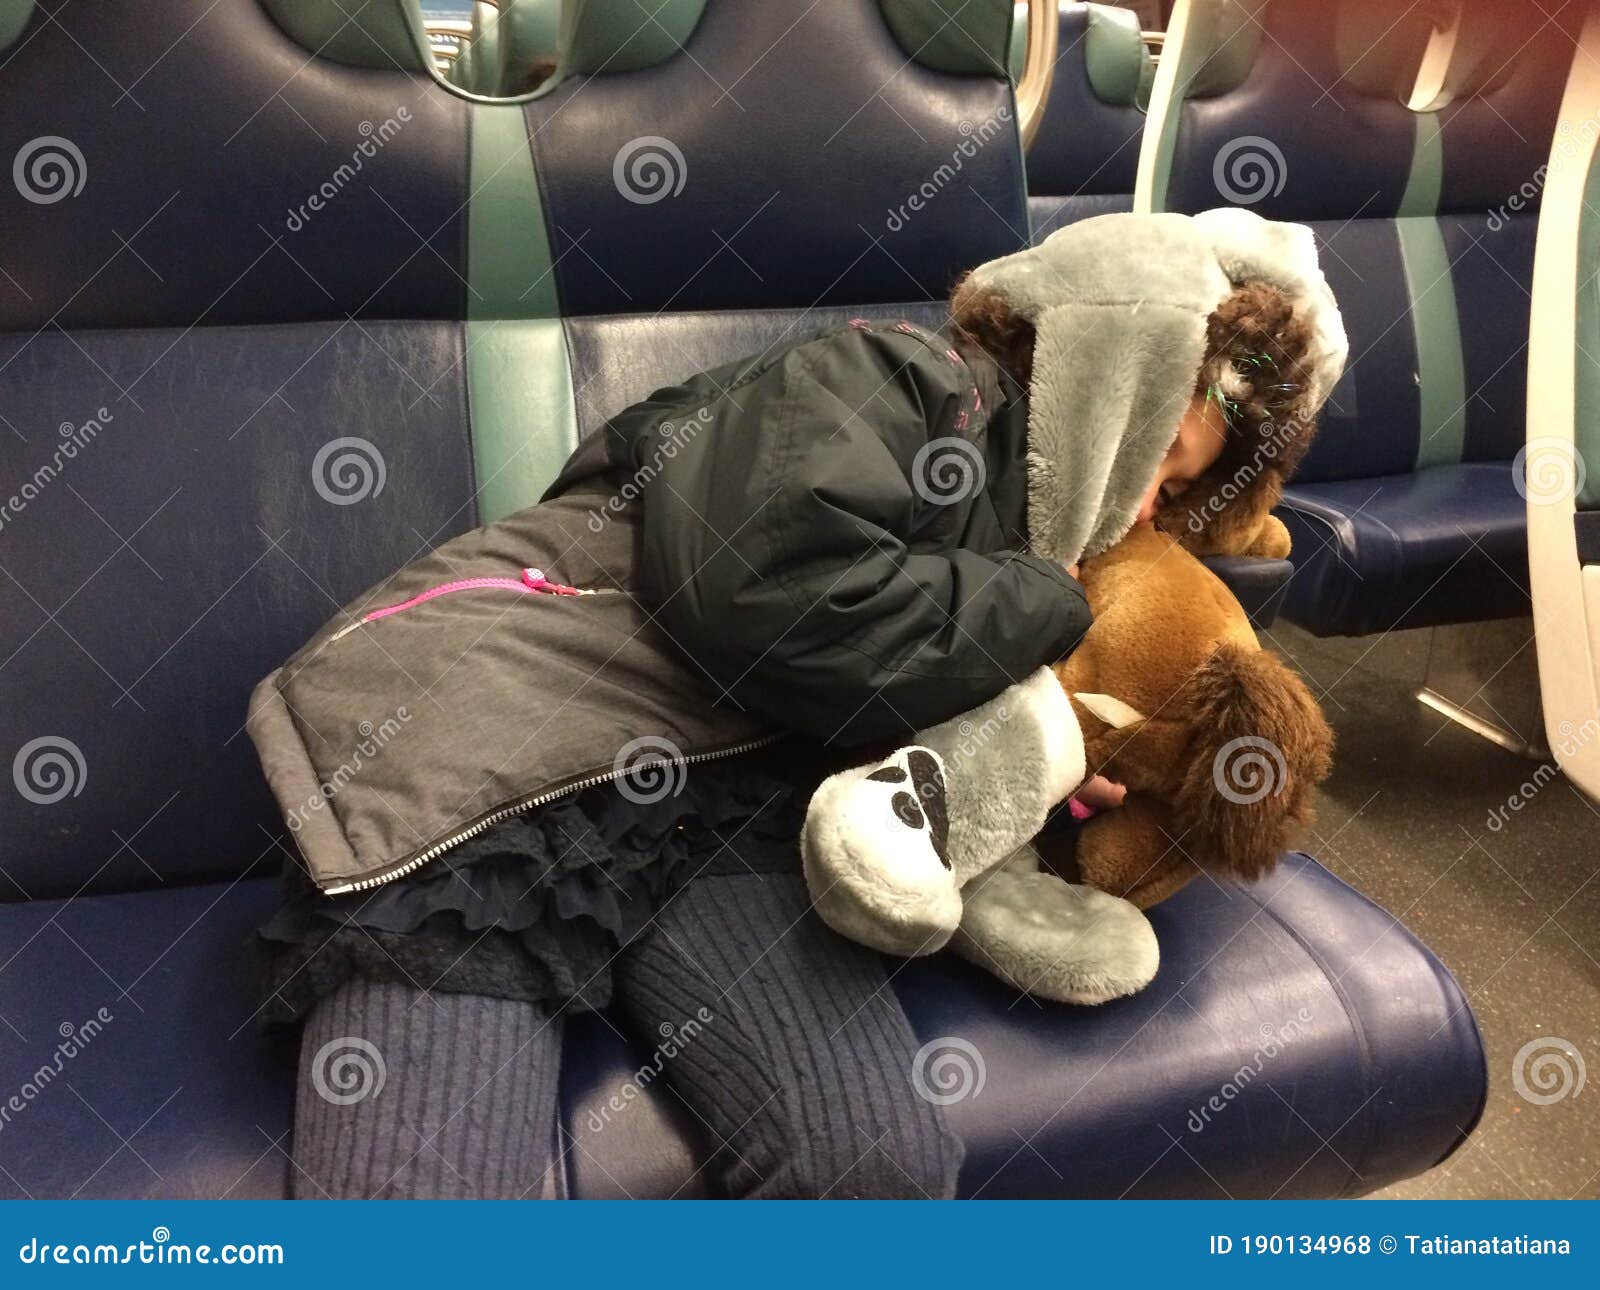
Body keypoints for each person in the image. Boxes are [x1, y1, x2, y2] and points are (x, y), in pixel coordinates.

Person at [248, 208, 1347, 1199]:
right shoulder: (909, 378)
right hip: (503, 732)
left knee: (876, 1170)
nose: (1149, 504)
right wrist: (1042, 607)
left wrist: (1046, 762)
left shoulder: (1020, 554)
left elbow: (882, 712)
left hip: (735, 798)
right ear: (1122, 371)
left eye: (1178, 492)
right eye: (1163, 454)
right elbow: (756, 584)